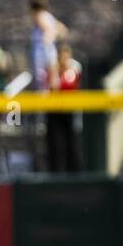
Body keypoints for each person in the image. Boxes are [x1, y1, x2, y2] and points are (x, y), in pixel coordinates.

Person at [43, 43, 82, 174]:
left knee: (71, 143)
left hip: (68, 111)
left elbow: (68, 86)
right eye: (61, 56)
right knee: (54, 143)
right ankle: (54, 172)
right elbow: (52, 88)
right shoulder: (52, 69)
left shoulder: (73, 69)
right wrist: (54, 72)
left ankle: (73, 172)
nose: (64, 59)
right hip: (53, 111)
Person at [28, 0, 67, 89]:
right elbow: (63, 30)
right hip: (50, 48)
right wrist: (54, 37)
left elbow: (48, 30)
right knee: (53, 75)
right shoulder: (49, 16)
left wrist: (47, 39)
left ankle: (44, 98)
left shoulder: (39, 15)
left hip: (41, 49)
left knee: (41, 77)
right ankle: (55, 96)